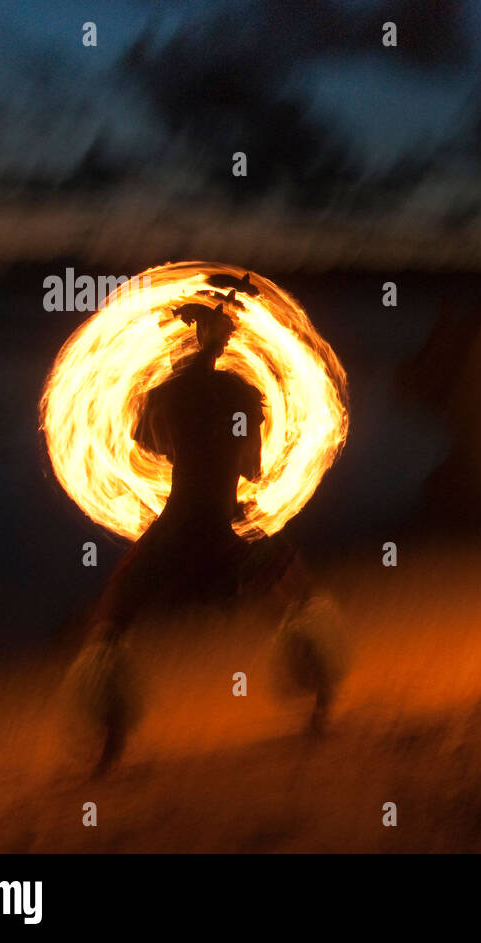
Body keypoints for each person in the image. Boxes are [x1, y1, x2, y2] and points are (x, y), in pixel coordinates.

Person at [71, 287, 327, 773]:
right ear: (226, 342)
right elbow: (251, 469)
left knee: (113, 614)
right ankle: (319, 706)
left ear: (187, 340)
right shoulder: (245, 397)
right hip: (228, 529)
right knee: (297, 595)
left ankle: (109, 745)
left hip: (178, 527)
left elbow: (151, 443)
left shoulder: (163, 395)